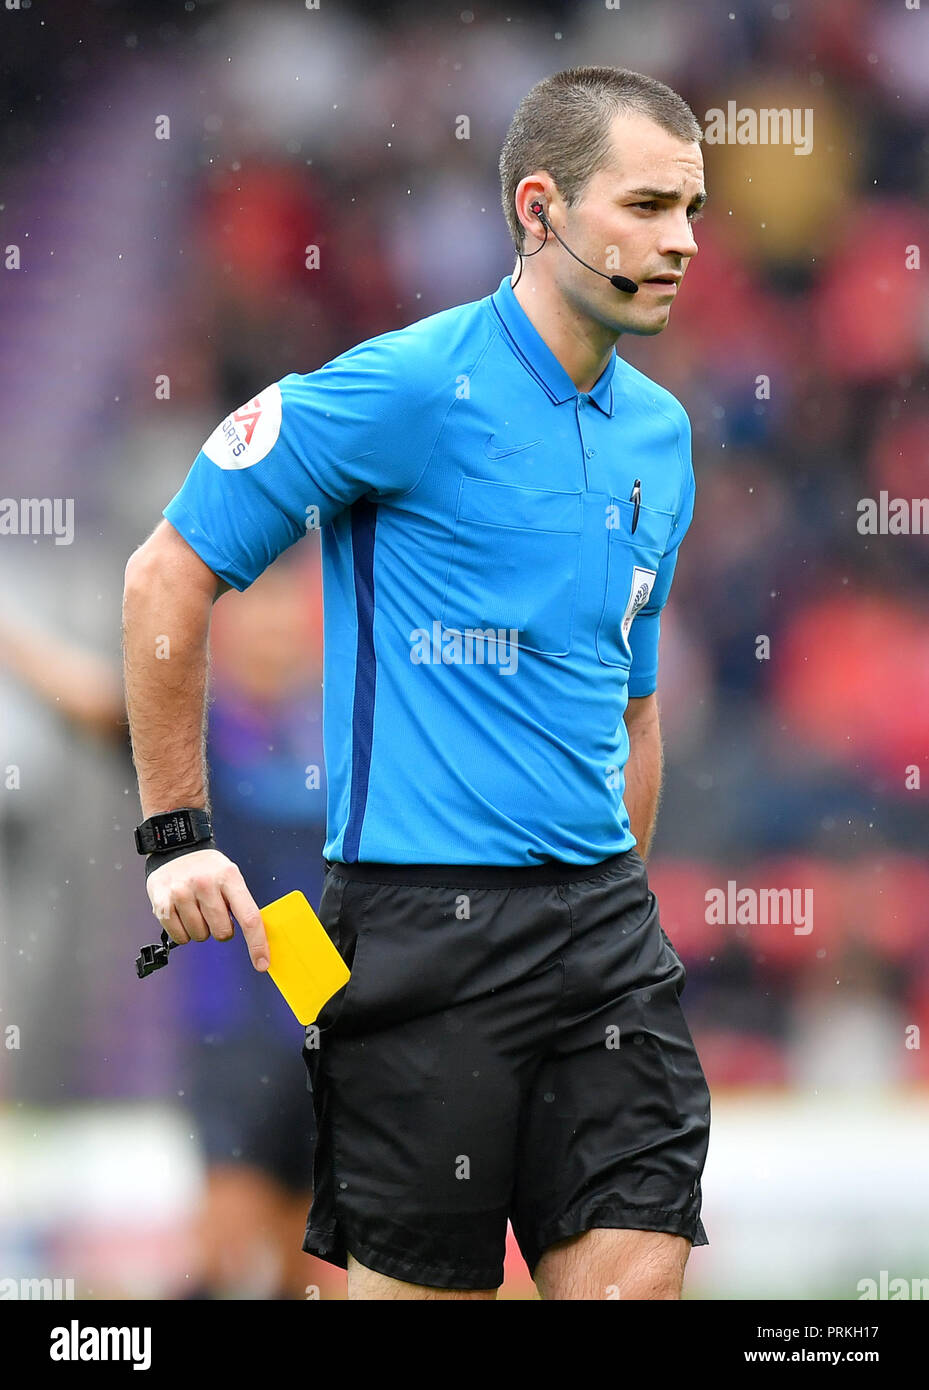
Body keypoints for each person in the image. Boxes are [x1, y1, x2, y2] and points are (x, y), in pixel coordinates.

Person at [122, 65, 711, 1301]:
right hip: (417, 936)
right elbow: (165, 574)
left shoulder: (660, 432)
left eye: (691, 210)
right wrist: (177, 836)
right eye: (648, 207)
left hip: (600, 930)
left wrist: (611, 910)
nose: (681, 242)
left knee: (639, 1284)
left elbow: (632, 706)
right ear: (539, 209)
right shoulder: (400, 387)